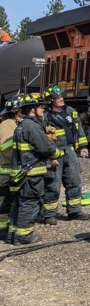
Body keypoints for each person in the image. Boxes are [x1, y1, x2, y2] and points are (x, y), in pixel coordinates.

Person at [8, 93, 64, 245]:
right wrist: (59, 153)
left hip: (21, 173)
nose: (44, 110)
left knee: (19, 203)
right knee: (28, 204)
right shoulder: (32, 126)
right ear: (32, 109)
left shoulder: (22, 125)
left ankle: (13, 234)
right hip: (31, 175)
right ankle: (24, 237)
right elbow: (46, 148)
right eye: (41, 107)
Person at [40, 85, 90, 223]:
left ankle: (74, 211)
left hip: (70, 150)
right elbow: (43, 139)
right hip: (55, 152)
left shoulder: (70, 111)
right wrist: (50, 156)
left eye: (61, 96)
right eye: (57, 97)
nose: (61, 99)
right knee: (52, 184)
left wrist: (83, 146)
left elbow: (78, 129)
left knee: (74, 181)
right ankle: (49, 214)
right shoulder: (45, 116)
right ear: (50, 100)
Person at [0, 95, 24, 241]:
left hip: (8, 170)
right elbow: (7, 149)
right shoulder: (9, 124)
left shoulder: (13, 123)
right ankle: (3, 232)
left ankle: (6, 230)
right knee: (5, 201)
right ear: (16, 110)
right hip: (5, 170)